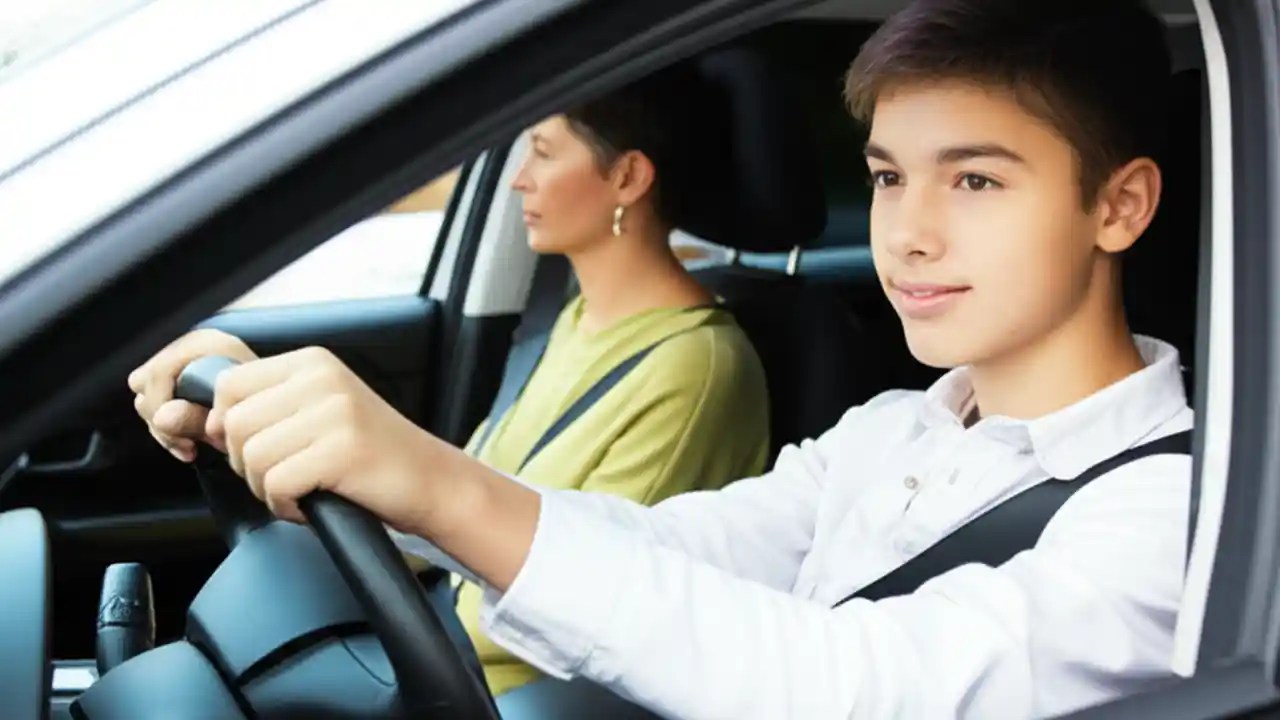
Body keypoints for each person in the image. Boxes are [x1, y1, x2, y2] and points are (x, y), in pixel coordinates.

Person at [127, 0, 1193, 717]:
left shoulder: (1176, 512)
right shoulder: (893, 429)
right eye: (884, 177)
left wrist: (438, 485)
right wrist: (355, 457)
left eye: (972, 182)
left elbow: (859, 686)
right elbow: (673, 549)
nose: (904, 232)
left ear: (1118, 204)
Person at [131, 66, 771, 697]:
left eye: (543, 153)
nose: (520, 178)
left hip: (499, 690)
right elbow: (475, 490)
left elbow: (601, 602)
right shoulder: (578, 319)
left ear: (628, 177)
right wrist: (266, 406)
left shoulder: (698, 366)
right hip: (444, 647)